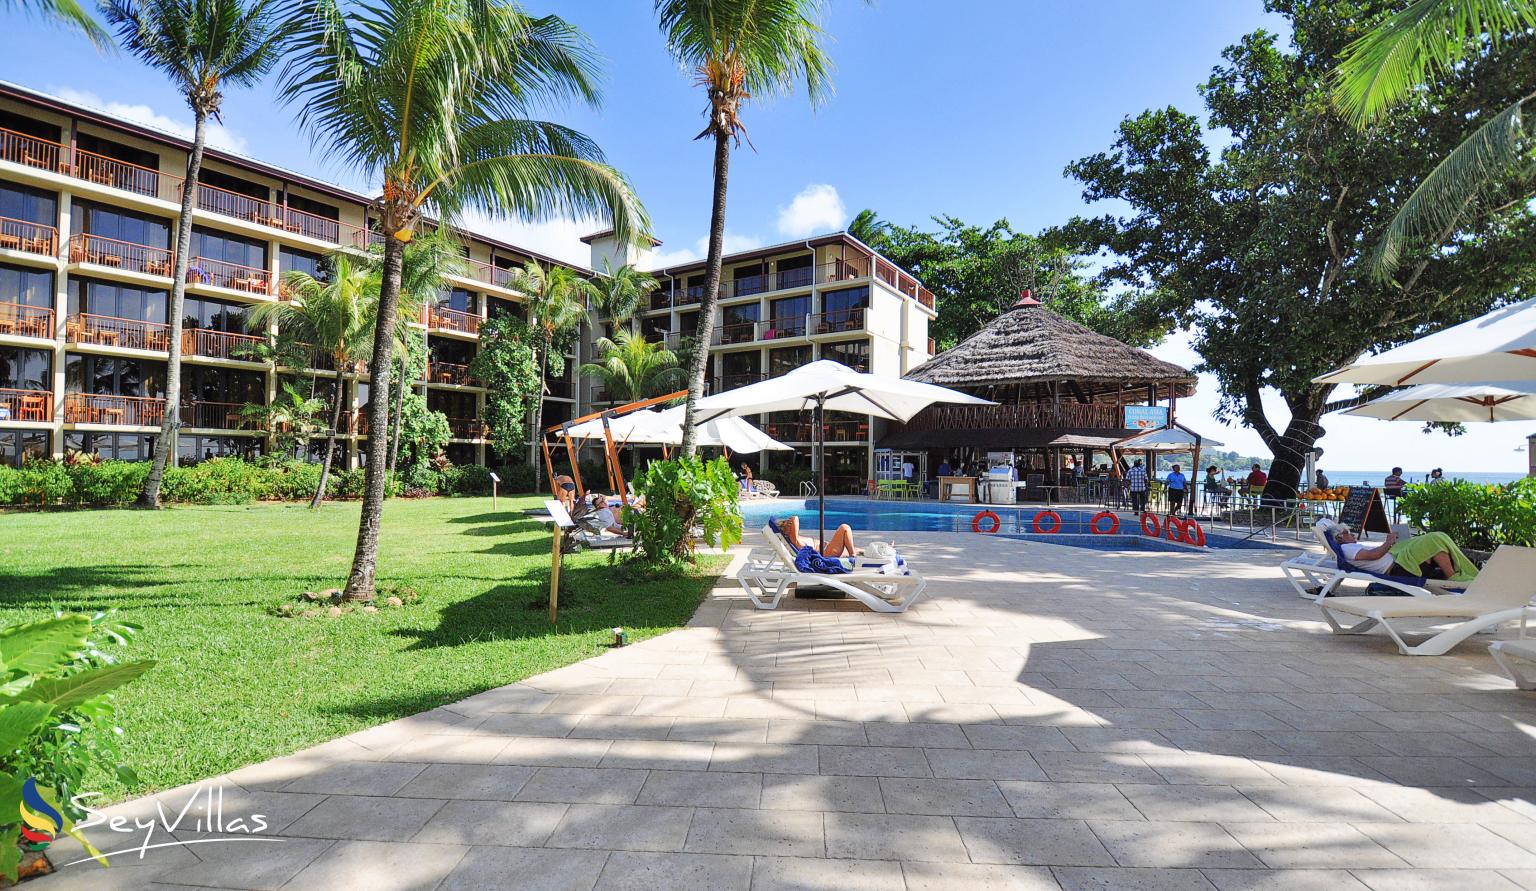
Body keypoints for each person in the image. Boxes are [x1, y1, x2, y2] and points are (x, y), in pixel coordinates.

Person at [1332, 527, 1479, 582]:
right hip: (1399, 568)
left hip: (1400, 561)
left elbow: (1374, 554)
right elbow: (1374, 555)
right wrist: (1388, 542)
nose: (1352, 535)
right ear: (1340, 537)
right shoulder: (1347, 548)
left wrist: (1392, 544)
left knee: (1437, 538)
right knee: (1434, 538)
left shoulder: (1350, 547)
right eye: (1347, 533)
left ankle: (1453, 574)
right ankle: (1453, 576)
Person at [780, 514, 861, 558]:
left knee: (858, 550)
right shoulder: (794, 539)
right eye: (786, 524)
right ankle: (852, 558)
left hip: (828, 548)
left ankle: (868, 554)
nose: (787, 523)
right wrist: (789, 521)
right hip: (826, 553)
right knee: (844, 528)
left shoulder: (796, 537)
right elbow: (795, 518)